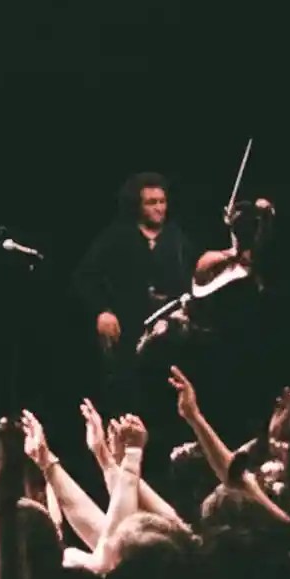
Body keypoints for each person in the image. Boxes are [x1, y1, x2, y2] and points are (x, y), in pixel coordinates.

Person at [73, 172, 199, 416]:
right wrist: (102, 311)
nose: (159, 208)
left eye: (162, 202)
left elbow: (192, 281)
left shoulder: (177, 239)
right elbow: (84, 277)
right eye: (151, 203)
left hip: (168, 339)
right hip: (128, 337)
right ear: (137, 206)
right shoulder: (117, 236)